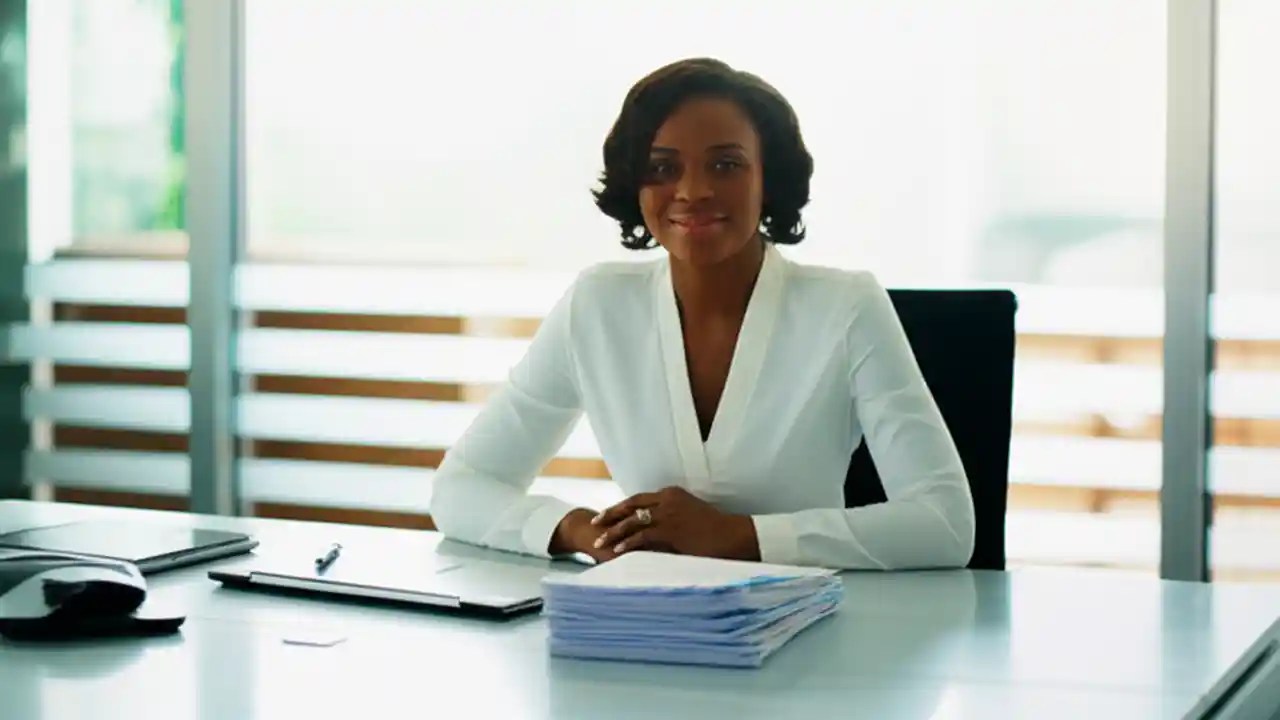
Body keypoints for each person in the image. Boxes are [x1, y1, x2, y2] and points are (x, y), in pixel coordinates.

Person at [429, 58, 975, 569]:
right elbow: (462, 486)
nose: (693, 191)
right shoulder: (596, 306)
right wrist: (583, 531)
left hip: (811, 622)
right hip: (653, 621)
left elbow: (946, 523)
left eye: (726, 164)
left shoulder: (848, 308)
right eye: (662, 168)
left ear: (767, 178)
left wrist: (739, 536)